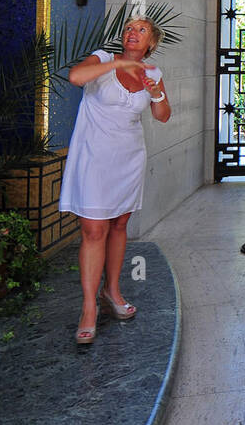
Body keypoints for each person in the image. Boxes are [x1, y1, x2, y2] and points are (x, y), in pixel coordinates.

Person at [60, 17, 171, 345]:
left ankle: (112, 291)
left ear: (150, 43)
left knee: (119, 225)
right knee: (94, 229)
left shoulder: (154, 73)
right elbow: (76, 77)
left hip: (129, 158)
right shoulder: (102, 59)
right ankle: (88, 307)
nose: (132, 33)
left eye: (140, 30)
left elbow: (163, 116)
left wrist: (156, 94)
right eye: (128, 29)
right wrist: (118, 62)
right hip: (94, 158)